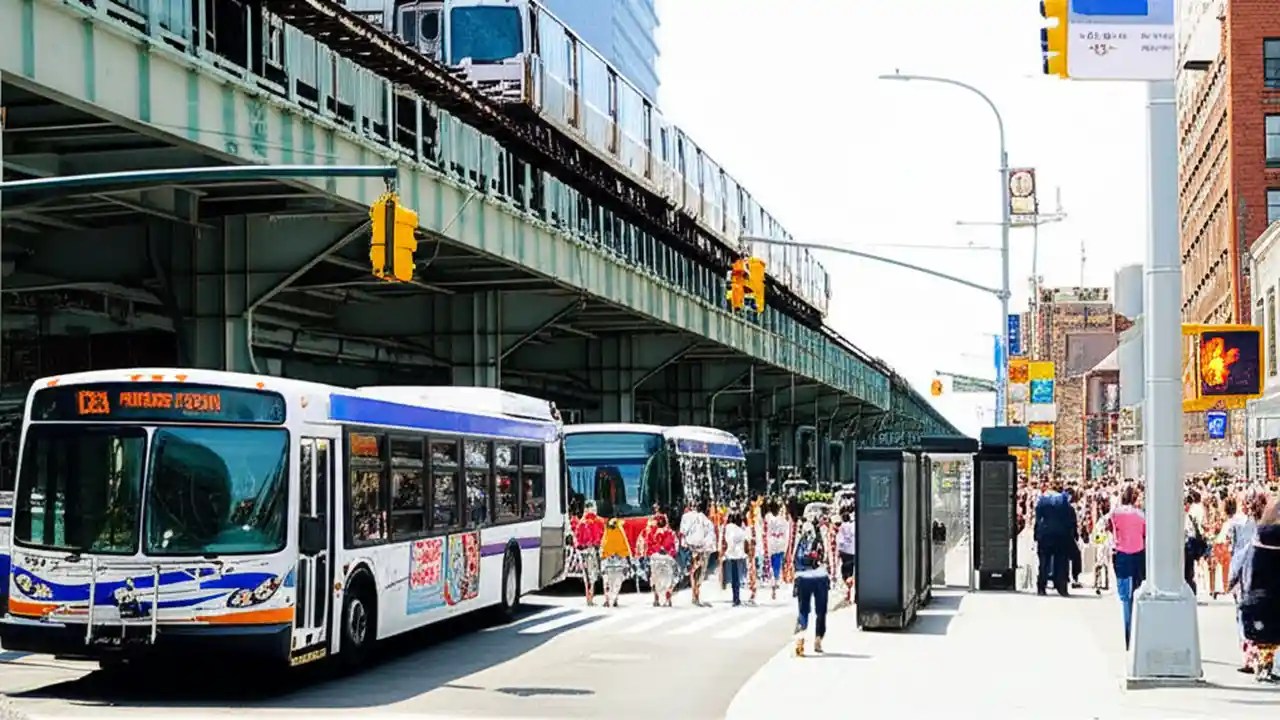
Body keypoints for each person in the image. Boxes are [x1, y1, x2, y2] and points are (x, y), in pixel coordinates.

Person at [1228, 496, 1280, 683]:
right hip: (1276, 593)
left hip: (1257, 594)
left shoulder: (1257, 537)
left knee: (1263, 633)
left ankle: (1261, 665)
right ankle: (1269, 666)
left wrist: (1233, 582)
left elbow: (1240, 562)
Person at [1104, 484, 1145, 648]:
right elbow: (1145, 534)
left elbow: (1109, 526)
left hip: (1121, 554)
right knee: (1137, 594)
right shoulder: (1141, 515)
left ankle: (1128, 634)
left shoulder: (1115, 513)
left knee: (1125, 598)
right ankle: (1136, 631)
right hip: (1138, 555)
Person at [792, 518, 830, 657]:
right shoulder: (824, 535)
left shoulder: (800, 537)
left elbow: (793, 556)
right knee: (821, 611)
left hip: (803, 578)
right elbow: (830, 554)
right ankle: (818, 640)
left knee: (803, 611)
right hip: (821, 577)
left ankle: (800, 642)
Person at [1034, 481, 1076, 596]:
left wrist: (1037, 534)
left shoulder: (1043, 499)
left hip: (1045, 534)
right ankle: (1061, 587)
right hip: (1061, 534)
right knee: (1061, 561)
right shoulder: (1064, 500)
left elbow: (1038, 517)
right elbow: (1069, 518)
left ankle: (1041, 587)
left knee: (1044, 562)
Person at [679, 498, 716, 607]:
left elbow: (682, 532)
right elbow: (710, 534)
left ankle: (694, 594)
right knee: (700, 571)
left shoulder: (685, 517)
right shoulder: (705, 519)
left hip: (691, 547)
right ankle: (696, 592)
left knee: (693, 570)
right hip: (702, 548)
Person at [570, 501, 606, 606]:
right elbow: (602, 536)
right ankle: (594, 595)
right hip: (594, 550)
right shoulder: (599, 521)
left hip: (583, 551)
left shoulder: (582, 522)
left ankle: (588, 597)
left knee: (586, 575)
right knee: (595, 574)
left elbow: (577, 538)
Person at [640, 512, 678, 607]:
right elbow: (675, 546)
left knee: (654, 577)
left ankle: (656, 598)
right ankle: (668, 598)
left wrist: (649, 554)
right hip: (668, 559)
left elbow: (647, 545)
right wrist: (671, 554)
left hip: (655, 559)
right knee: (673, 577)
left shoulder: (651, 532)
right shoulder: (671, 532)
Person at [600, 517, 632, 608]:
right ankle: (615, 598)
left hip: (608, 561)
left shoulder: (607, 533)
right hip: (619, 561)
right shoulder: (620, 532)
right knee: (617, 581)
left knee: (607, 581)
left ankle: (607, 599)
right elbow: (625, 546)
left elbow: (603, 546)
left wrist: (602, 557)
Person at [764, 500, 790, 600]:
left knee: (773, 563)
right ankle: (775, 580)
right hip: (777, 542)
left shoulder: (769, 517)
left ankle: (774, 581)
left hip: (773, 542)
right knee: (776, 563)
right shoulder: (776, 518)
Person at [723, 512, 749, 606]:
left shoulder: (730, 529)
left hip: (733, 555)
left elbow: (728, 541)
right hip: (741, 555)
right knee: (738, 577)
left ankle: (736, 598)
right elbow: (747, 541)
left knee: (734, 578)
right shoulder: (742, 530)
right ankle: (737, 597)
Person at [836, 509, 856, 605]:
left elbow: (839, 540)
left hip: (845, 552)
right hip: (853, 551)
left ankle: (849, 588)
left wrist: (839, 550)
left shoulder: (842, 527)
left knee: (845, 572)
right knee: (851, 570)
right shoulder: (853, 526)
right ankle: (851, 588)